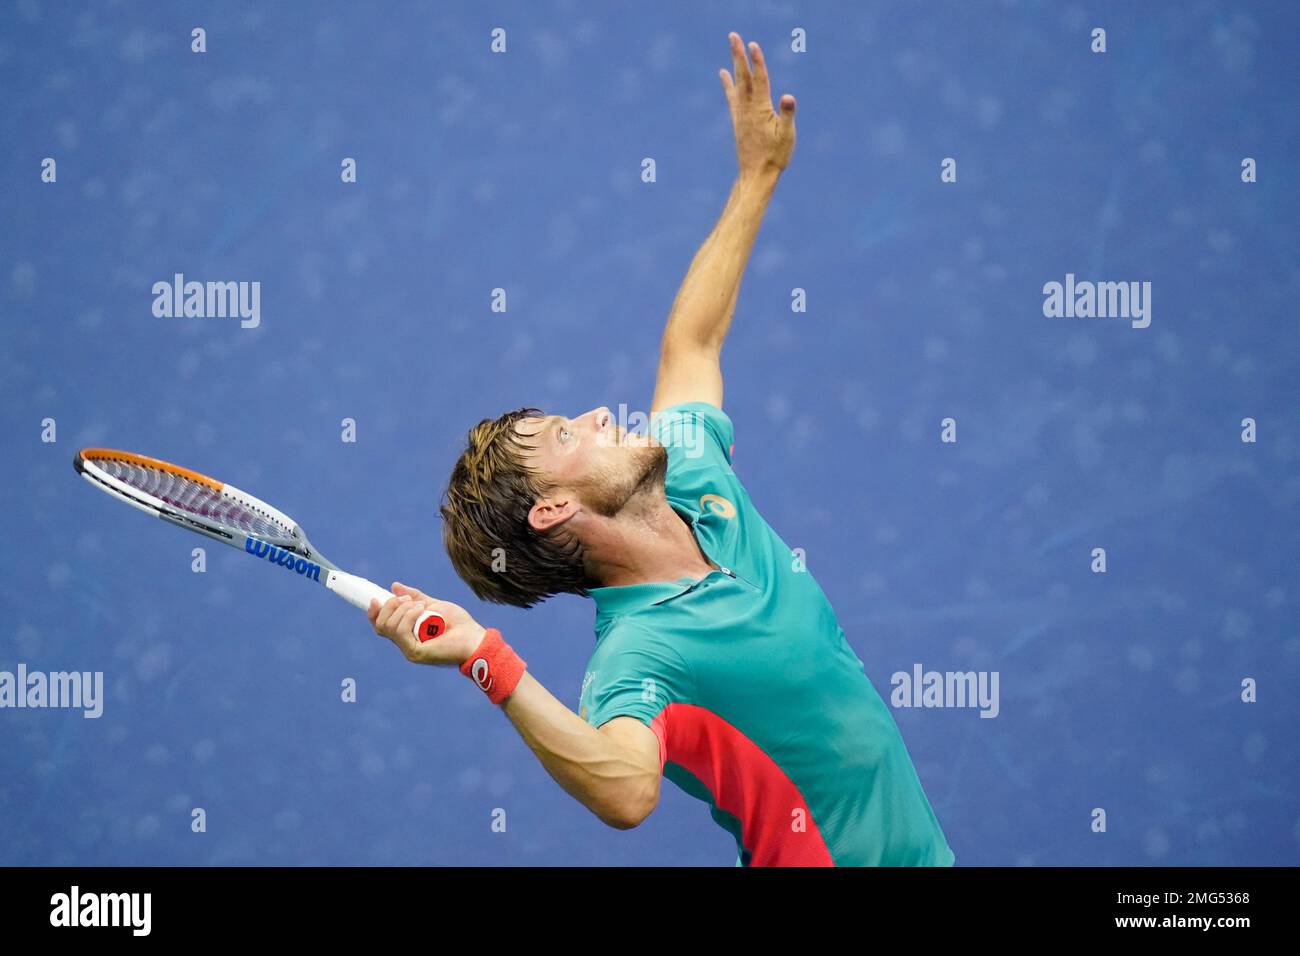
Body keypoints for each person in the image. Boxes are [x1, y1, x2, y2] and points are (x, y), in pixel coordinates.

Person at [369, 32, 954, 866]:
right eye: (568, 435)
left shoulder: (695, 478)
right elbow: (624, 791)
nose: (599, 416)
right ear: (553, 509)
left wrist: (757, 177)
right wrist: (486, 660)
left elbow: (692, 344)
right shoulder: (638, 658)